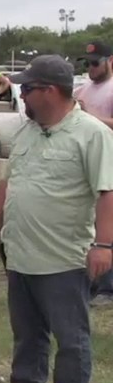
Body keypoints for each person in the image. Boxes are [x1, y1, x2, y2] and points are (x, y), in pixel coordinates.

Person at [0, 55, 113, 383]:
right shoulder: (27, 132)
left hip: (64, 257)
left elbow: (107, 192)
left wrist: (103, 245)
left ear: (49, 91)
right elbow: (8, 182)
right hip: (20, 253)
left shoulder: (92, 134)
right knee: (27, 333)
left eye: (27, 88)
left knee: (71, 337)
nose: (21, 94)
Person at [77, 42, 113, 305]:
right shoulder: (85, 88)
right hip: (88, 163)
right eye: (87, 63)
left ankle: (108, 287)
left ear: (110, 60)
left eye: (95, 62)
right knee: (89, 222)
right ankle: (91, 282)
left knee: (107, 223)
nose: (90, 68)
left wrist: (90, 117)